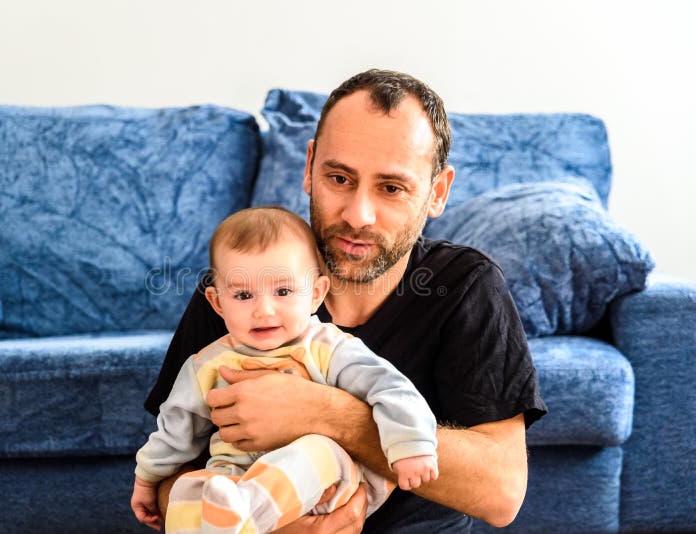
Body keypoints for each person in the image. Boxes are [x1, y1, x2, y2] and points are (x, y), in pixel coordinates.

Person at [144, 69, 547, 533]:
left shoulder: (466, 287)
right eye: (339, 178)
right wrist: (263, 521)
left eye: (391, 188)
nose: (358, 215)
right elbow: (163, 484)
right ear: (309, 166)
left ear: (437, 192)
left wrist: (330, 415)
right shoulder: (244, 287)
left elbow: (502, 492)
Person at [132, 206, 440, 533]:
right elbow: (175, 426)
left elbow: (390, 387)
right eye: (243, 295)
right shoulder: (208, 363)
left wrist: (412, 445)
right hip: (235, 477)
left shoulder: (328, 348)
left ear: (315, 294)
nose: (264, 310)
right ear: (218, 302)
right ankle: (235, 514)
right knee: (188, 489)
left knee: (319, 452)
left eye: (283, 291)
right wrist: (146, 478)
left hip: (324, 486)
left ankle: (241, 517)